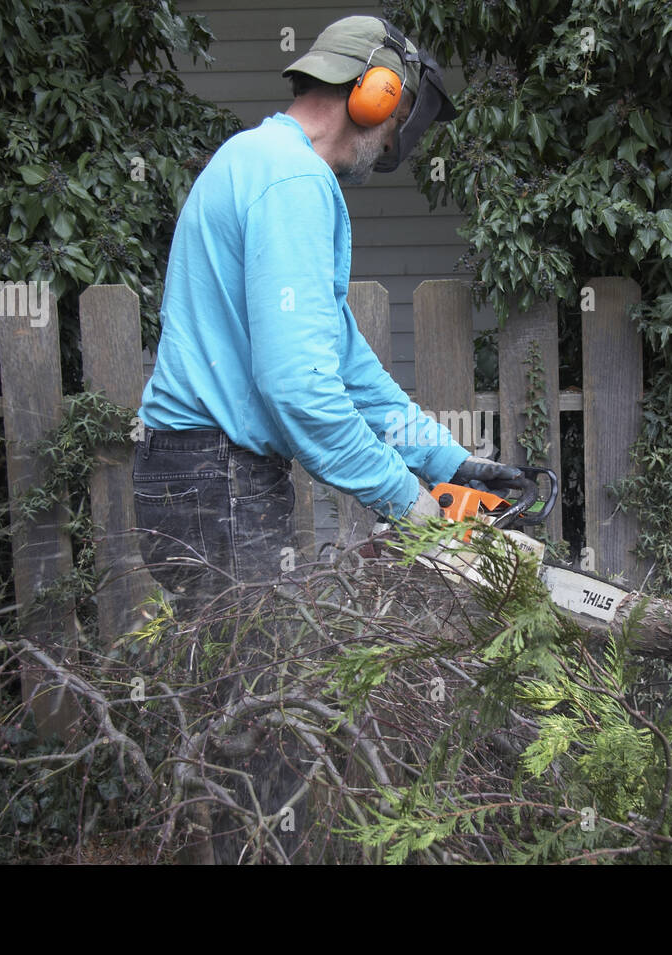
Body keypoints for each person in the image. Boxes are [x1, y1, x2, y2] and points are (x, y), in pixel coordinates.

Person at [131, 15, 521, 862]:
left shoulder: (258, 162)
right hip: (217, 483)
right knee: (263, 734)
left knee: (249, 718)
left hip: (201, 479)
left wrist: (450, 460)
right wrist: (412, 505)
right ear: (375, 95)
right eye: (401, 111)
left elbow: (344, 365)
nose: (395, 136)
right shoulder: (292, 184)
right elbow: (301, 393)